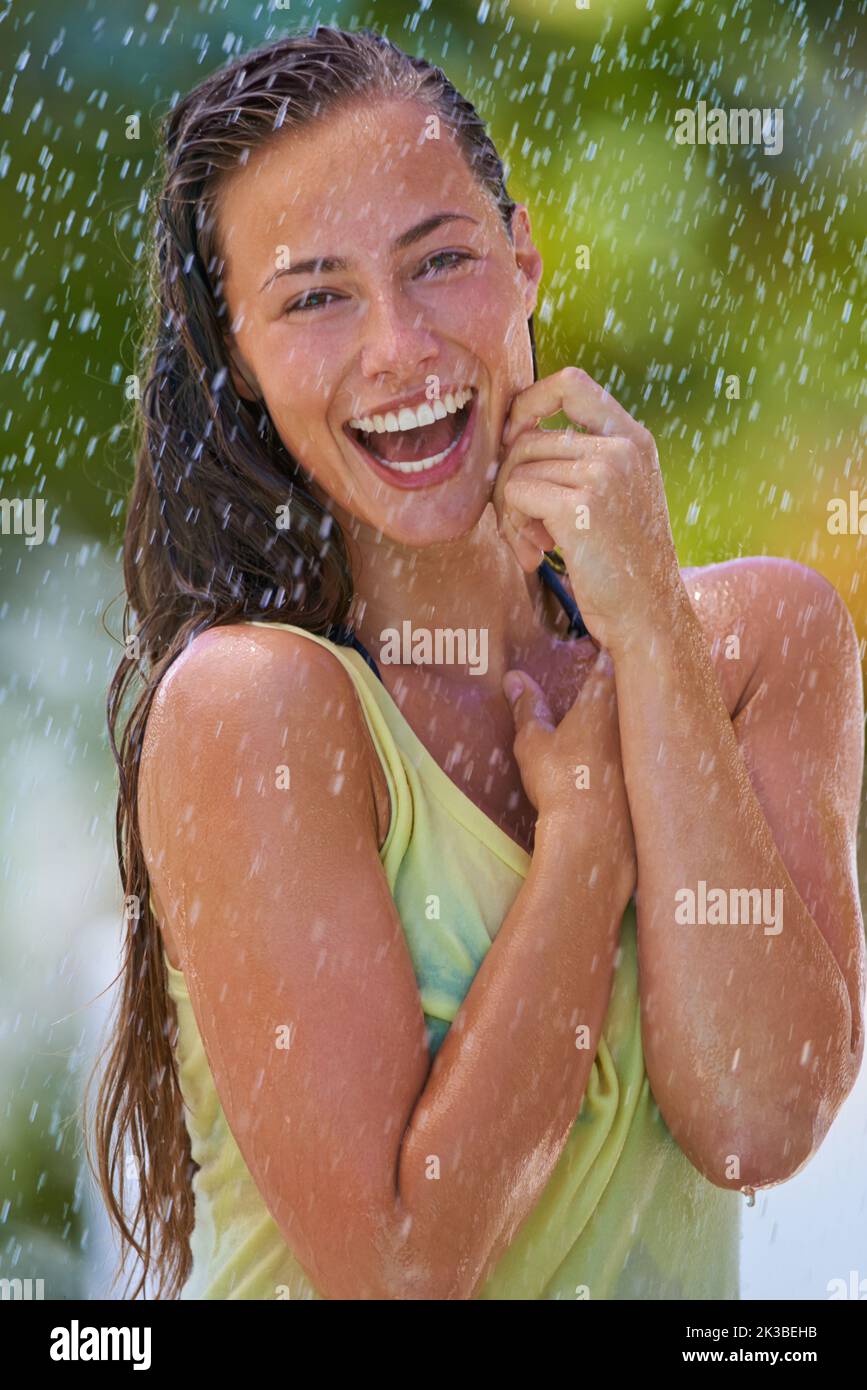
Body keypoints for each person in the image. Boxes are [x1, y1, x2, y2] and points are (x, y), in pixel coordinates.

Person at [86, 24, 865, 1300]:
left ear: (523, 263)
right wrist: (588, 847)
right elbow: (403, 1270)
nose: (401, 349)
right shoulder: (254, 708)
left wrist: (655, 637)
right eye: (316, 296)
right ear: (239, 358)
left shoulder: (761, 646)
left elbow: (757, 1120)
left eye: (440, 261)